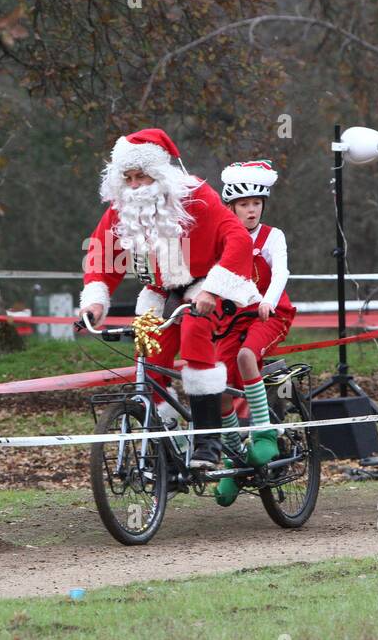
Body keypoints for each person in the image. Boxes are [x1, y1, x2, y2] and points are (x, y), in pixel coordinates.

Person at [78, 129, 261, 474]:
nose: (134, 186)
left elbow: (237, 239)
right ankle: (166, 438)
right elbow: (102, 255)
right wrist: (96, 301)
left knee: (194, 334)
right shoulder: (123, 208)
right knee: (148, 353)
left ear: (160, 172)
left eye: (141, 176)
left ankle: (209, 441)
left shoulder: (197, 197)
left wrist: (212, 291)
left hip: (205, 285)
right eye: (127, 178)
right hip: (159, 291)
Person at [212, 159, 296, 505]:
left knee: (248, 356)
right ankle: (236, 458)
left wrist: (268, 301)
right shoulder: (222, 238)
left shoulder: (272, 236)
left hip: (269, 313)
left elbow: (281, 273)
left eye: (256, 204)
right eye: (244, 205)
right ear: (230, 207)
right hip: (231, 318)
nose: (251, 210)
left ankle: (263, 435)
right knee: (215, 383)